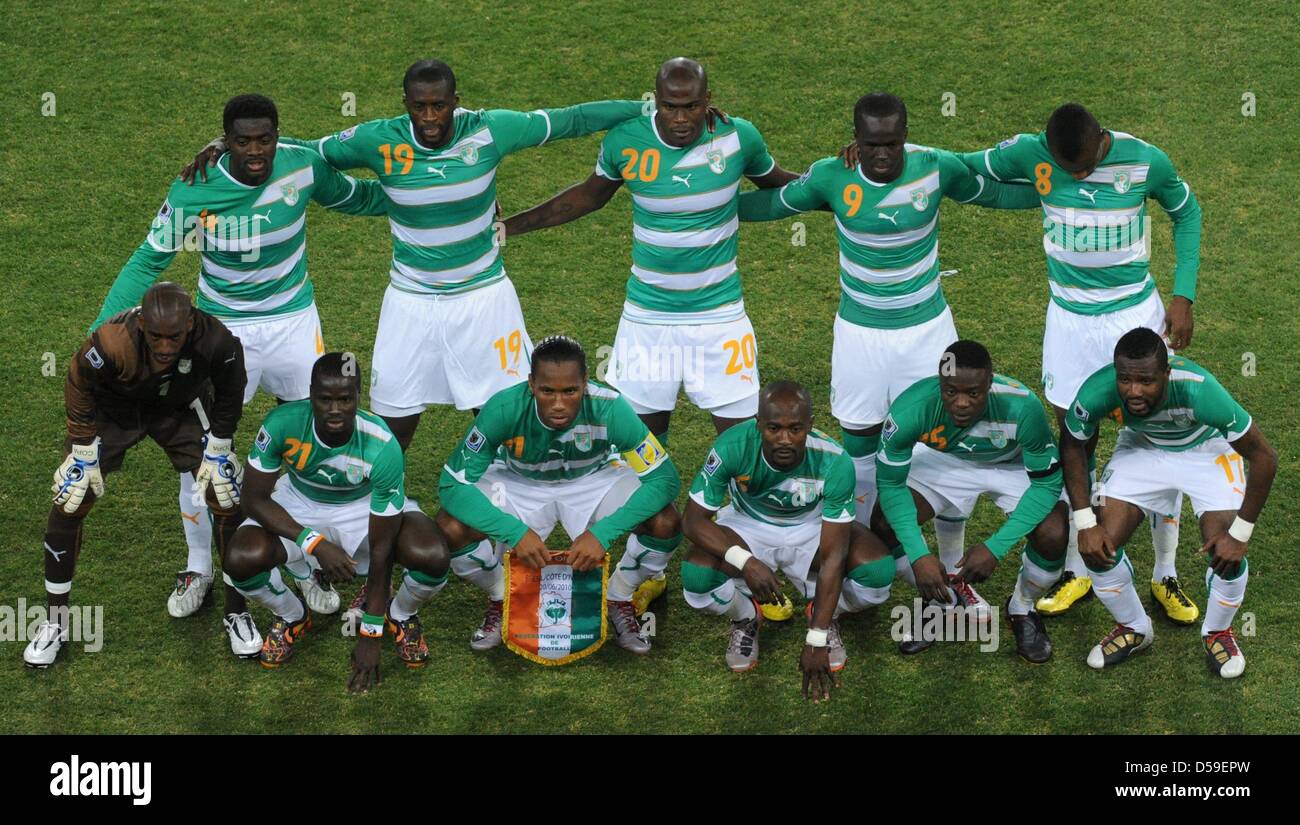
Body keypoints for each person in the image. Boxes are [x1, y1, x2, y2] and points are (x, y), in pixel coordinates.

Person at [737, 92, 1039, 610]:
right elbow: (768, 204)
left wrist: (1063, 190)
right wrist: (700, 201)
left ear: (906, 136)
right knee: (859, 442)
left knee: (937, 446)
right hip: (859, 336)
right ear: (857, 139)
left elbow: (996, 193)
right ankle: (852, 561)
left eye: (892, 144)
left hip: (926, 333)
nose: (882, 155)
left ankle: (948, 574)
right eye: (872, 144)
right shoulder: (833, 176)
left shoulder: (934, 167)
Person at [94, 93, 388, 621]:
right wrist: (102, 336)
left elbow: (359, 198)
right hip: (221, 332)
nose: (256, 151)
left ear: (279, 135)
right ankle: (199, 563)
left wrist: (431, 199)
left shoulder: (302, 165)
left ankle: (304, 559)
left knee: (313, 442)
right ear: (224, 141)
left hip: (295, 325)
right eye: (242, 140)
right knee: (201, 453)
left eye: (265, 139)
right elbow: (148, 261)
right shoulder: (194, 187)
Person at [960, 103, 1204, 621]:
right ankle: (1076, 565)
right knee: (1076, 439)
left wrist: (1183, 295)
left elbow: (1186, 211)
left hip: (1134, 317)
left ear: (1102, 139)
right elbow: (965, 165)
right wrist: (901, 159)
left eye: (1086, 164)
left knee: (1162, 434)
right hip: (1070, 324)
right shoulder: (1030, 152)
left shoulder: (1145, 160)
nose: (1078, 175)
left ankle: (1166, 572)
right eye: (1066, 168)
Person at [26, 283, 254, 666]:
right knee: (72, 496)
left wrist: (220, 442)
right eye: (156, 336)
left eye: (175, 337)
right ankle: (56, 622)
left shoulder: (216, 340)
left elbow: (233, 384)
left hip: (182, 407)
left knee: (225, 491)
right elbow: (78, 379)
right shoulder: (111, 343)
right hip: (117, 408)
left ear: (191, 323)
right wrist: (82, 448)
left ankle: (237, 612)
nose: (165, 347)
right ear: (142, 323)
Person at [436, 336, 681, 653]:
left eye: (570, 391)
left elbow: (664, 479)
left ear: (586, 385)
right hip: (516, 481)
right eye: (547, 391)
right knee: (450, 526)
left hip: (593, 479)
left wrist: (603, 534)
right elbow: (451, 484)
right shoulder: (502, 408)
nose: (559, 403)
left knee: (665, 521)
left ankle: (619, 597)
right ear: (530, 385)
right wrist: (514, 532)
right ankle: (503, 596)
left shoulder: (611, 407)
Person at [224, 353, 449, 692]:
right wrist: (313, 542)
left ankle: (398, 614)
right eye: (325, 399)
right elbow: (253, 499)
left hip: (363, 507)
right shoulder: (282, 423)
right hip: (298, 502)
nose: (334, 409)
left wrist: (370, 633)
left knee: (431, 556)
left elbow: (382, 547)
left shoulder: (382, 444)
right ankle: (291, 614)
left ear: (359, 396)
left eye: (345, 399)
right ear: (310, 393)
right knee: (241, 558)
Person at [1061, 329, 1275, 677]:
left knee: (1227, 553)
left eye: (1146, 381)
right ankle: (1134, 627)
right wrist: (1084, 523)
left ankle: (1218, 631)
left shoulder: (1199, 389)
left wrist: (1240, 533)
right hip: (1143, 447)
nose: (1133, 391)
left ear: (1166, 373)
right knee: (1097, 546)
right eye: (1125, 379)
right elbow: (1072, 444)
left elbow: (1265, 457)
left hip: (1205, 450)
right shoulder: (1097, 390)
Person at [681, 381, 892, 701]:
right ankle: (746, 615)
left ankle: (824, 616)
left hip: (811, 526)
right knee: (696, 577)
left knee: (877, 574)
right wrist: (745, 561)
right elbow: (693, 521)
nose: (784, 439)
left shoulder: (834, 461)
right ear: (758, 424)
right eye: (774, 428)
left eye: (795, 429)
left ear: (810, 425)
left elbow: (834, 555)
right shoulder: (732, 446)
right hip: (747, 524)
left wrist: (816, 639)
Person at [872, 341, 1067, 662]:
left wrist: (996, 546)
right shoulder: (911, 409)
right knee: (882, 522)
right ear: (940, 383)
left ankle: (1021, 607)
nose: (961, 403)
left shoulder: (1022, 407)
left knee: (1054, 533)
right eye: (951, 392)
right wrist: (919, 555)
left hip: (1009, 464)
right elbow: (890, 485)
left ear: (990, 384)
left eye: (973, 394)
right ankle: (945, 599)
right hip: (943, 460)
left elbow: (1046, 485)